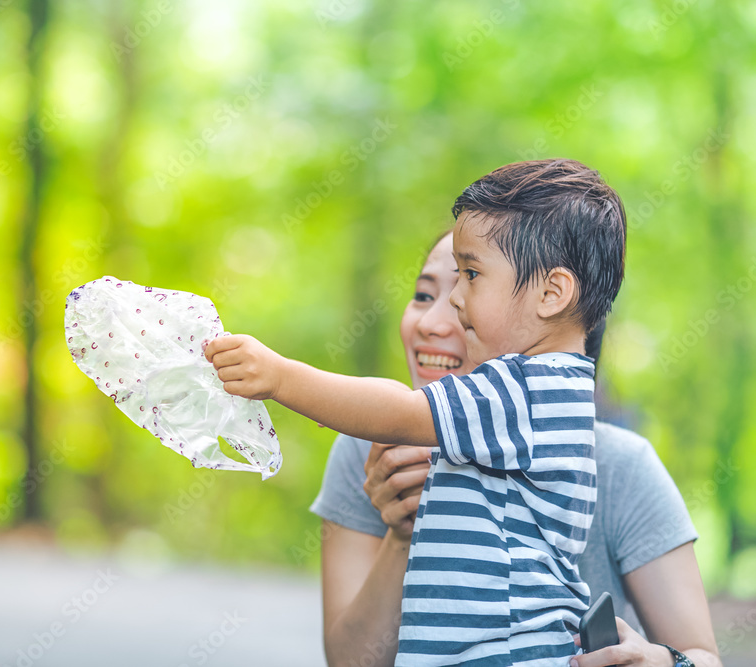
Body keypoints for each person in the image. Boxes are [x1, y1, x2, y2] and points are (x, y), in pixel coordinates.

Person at [206, 159, 625, 665]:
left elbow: (399, 411)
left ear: (552, 293)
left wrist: (279, 377)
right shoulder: (546, 389)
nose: (455, 299)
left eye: (470, 275)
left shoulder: (524, 390)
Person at [310, 234, 722, 666]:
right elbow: (351, 662)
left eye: (466, 291)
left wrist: (660, 661)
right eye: (423, 294)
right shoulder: (370, 451)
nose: (430, 322)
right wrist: (402, 536)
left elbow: (704, 657)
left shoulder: (619, 465)